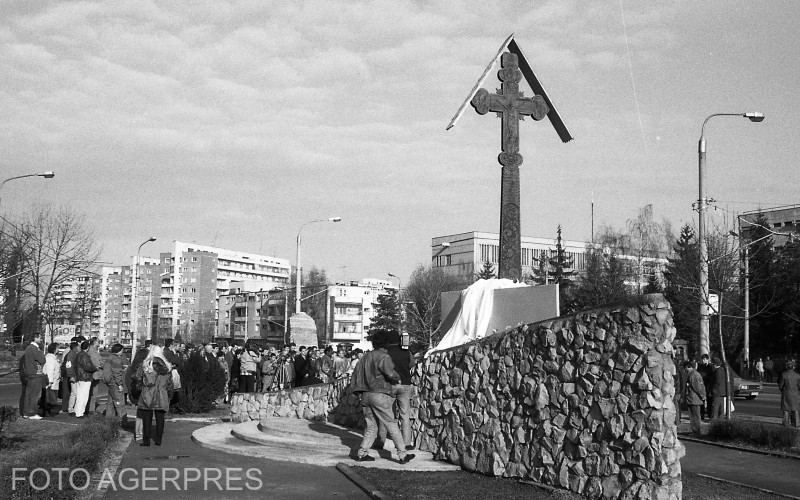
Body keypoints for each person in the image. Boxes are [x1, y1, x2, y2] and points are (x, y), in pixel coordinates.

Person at [350, 329, 415, 464]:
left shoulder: (365, 357)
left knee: (371, 426)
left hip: (365, 396)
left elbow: (355, 374)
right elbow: (392, 373)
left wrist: (357, 392)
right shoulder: (383, 356)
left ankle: (362, 453)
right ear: (385, 342)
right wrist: (396, 380)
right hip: (379, 394)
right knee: (391, 424)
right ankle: (403, 454)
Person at [376, 331, 416, 450]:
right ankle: (407, 443)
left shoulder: (384, 353)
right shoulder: (406, 351)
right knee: (404, 414)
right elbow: (412, 364)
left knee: (385, 413)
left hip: (389, 385)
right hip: (404, 384)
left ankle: (381, 441)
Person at [133, 346, 174, 446]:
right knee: (160, 418)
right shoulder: (166, 366)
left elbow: (136, 377)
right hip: (161, 394)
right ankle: (158, 440)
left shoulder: (145, 364)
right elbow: (170, 383)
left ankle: (146, 441)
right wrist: (169, 395)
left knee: (147, 418)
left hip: (147, 393)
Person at [18, 332, 47, 420]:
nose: (41, 339)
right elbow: (42, 360)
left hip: (29, 374)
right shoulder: (34, 349)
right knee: (35, 395)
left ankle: (26, 412)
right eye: (40, 338)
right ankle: (32, 413)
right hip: (36, 374)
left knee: (28, 394)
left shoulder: (28, 348)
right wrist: (41, 353)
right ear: (35, 338)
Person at [73, 340, 97, 418]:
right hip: (85, 377)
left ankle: (78, 411)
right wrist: (95, 368)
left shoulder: (79, 354)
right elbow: (88, 366)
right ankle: (80, 413)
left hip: (80, 376)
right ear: (87, 348)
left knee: (80, 395)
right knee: (83, 396)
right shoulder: (84, 355)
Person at [682, 360, 706, 434]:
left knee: (695, 416)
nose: (684, 370)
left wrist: (702, 396)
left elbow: (697, 387)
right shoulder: (693, 374)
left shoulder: (693, 375)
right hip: (692, 399)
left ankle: (697, 431)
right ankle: (695, 430)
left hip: (694, 399)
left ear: (687, 367)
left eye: (684, 368)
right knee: (693, 415)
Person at [103, 344, 126, 417]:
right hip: (114, 382)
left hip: (109, 381)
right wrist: (119, 384)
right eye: (122, 350)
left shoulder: (110, 357)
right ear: (119, 350)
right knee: (119, 401)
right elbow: (116, 373)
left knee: (110, 402)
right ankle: (122, 419)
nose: (122, 352)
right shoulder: (116, 359)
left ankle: (109, 419)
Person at [778, 359, 800, 428]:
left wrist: (782, 389)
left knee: (786, 409)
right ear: (793, 367)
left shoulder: (784, 374)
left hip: (786, 393)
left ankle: (786, 423)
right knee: (795, 409)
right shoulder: (797, 375)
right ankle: (796, 423)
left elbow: (780, 385)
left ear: (787, 366)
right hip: (795, 394)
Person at [41, 342, 62, 417]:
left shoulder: (54, 358)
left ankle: (48, 410)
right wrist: (50, 381)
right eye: (57, 348)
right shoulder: (50, 358)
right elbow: (50, 370)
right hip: (51, 381)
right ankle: (46, 411)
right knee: (49, 396)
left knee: (51, 396)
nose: (58, 350)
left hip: (55, 380)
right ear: (54, 349)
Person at [61, 339, 80, 414]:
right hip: (73, 376)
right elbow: (68, 366)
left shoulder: (75, 354)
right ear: (75, 347)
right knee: (73, 393)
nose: (79, 348)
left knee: (75, 393)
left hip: (76, 375)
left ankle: (74, 407)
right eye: (78, 347)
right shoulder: (70, 355)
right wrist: (71, 375)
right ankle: (71, 408)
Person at [697, 354, 713, 420]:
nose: (703, 361)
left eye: (704, 359)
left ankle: (709, 415)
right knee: (701, 401)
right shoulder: (700, 366)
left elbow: (711, 376)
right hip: (701, 386)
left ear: (707, 359)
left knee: (709, 401)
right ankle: (701, 415)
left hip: (708, 386)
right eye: (702, 359)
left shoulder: (710, 367)